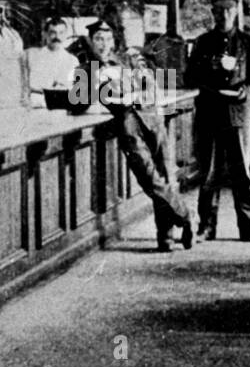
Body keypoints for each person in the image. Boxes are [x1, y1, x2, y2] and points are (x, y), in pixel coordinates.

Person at [75, 21, 194, 252]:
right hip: (128, 127)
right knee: (150, 179)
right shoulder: (85, 67)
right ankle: (187, 215)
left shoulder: (128, 59)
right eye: (98, 38)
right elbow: (80, 103)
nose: (103, 44)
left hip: (151, 119)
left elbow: (152, 87)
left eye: (107, 38)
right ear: (90, 40)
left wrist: (133, 95)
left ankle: (166, 237)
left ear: (114, 40)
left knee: (165, 175)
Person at [184, 0, 250, 242]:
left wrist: (245, 92)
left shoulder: (247, 42)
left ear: (236, 13)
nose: (223, 15)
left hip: (239, 116)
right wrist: (208, 80)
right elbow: (190, 78)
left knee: (242, 173)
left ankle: (249, 225)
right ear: (212, 13)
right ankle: (206, 227)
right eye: (218, 10)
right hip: (209, 115)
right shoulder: (202, 42)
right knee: (208, 173)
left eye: (228, 10)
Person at [26, 17, 80, 106]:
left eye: (61, 33)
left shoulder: (72, 60)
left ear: (66, 35)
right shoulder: (33, 56)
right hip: (37, 104)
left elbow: (75, 90)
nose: (57, 37)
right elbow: (28, 86)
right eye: (53, 33)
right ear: (45, 34)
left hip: (63, 105)